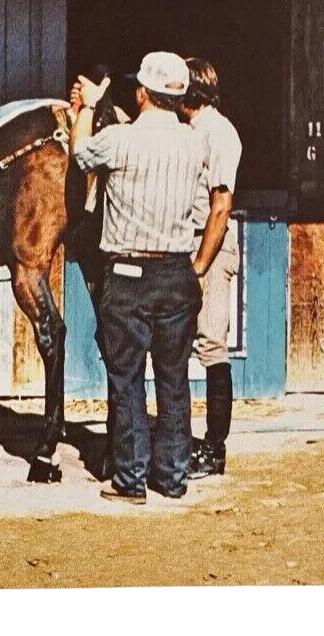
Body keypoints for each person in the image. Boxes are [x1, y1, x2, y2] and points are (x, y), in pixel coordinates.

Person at [70, 51, 207, 503]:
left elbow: (80, 154)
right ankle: (172, 477)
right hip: (177, 272)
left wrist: (88, 107)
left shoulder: (120, 140)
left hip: (129, 273)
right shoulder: (194, 143)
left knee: (126, 378)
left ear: (142, 93)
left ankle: (130, 480)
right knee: (174, 379)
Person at [181, 57, 244, 478]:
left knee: (211, 346)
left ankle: (214, 448)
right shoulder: (191, 131)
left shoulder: (218, 132)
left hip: (210, 249)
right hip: (186, 249)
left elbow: (220, 205)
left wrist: (201, 263)